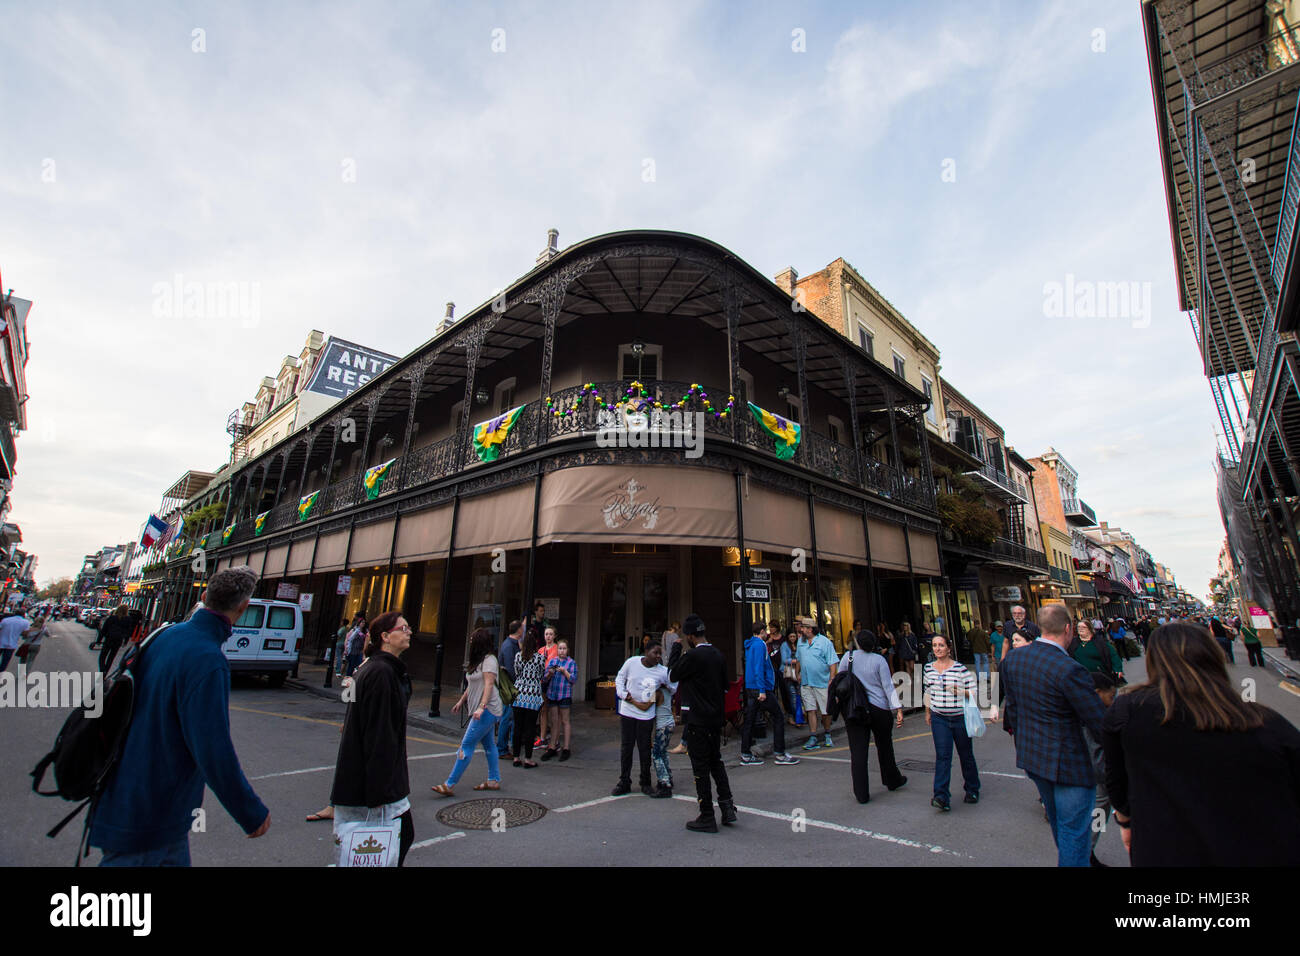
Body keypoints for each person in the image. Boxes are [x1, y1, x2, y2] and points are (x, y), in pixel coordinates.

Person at [90, 566, 271, 866]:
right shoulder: (208, 659)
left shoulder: (163, 635)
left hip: (129, 792)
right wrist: (249, 811)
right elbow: (213, 748)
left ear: (204, 596)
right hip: (152, 809)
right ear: (244, 607)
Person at [1103, 623, 1300, 866]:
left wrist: (1126, 820)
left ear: (1154, 662)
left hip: (1165, 849)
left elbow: (1115, 779)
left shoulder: (1129, 711)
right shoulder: (1263, 721)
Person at [999, 603, 1106, 867]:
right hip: (1069, 764)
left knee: (1063, 825)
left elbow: (1012, 708)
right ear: (1068, 629)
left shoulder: (1012, 660)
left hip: (1033, 757)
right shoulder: (1069, 668)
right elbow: (1099, 722)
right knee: (1074, 831)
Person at [329, 610, 415, 866]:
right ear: (385, 637)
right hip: (375, 789)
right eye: (404, 628)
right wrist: (378, 793)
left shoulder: (379, 669)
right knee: (393, 842)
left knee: (400, 838)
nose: (409, 631)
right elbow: (379, 736)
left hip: (372, 785)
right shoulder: (381, 673)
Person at [669, 613, 735, 833]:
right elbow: (726, 686)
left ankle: (707, 814)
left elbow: (672, 675)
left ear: (690, 636)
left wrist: (676, 651)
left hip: (697, 720)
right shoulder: (718, 654)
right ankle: (727, 807)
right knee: (716, 761)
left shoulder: (693, 657)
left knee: (700, 767)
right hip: (716, 719)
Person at [431, 628, 503, 796]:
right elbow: (472, 685)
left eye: (473, 639)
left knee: (466, 745)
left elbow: (489, 685)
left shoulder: (490, 661)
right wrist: (461, 700)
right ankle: (494, 780)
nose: (470, 641)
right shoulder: (478, 661)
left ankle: (450, 783)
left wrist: (481, 707)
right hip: (480, 709)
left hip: (487, 709)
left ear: (479, 642)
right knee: (490, 745)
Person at [839, 630, 905, 803]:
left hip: (856, 708)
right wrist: (897, 708)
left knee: (858, 752)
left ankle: (861, 793)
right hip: (879, 708)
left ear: (858, 643)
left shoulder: (848, 657)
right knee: (885, 747)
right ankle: (892, 779)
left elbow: (840, 679)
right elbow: (888, 686)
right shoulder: (879, 660)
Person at [922, 634, 979, 811]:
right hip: (939, 717)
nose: (937, 648)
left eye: (941, 645)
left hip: (959, 717)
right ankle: (941, 795)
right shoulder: (928, 669)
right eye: (934, 646)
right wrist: (928, 711)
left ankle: (972, 788)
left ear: (949, 648)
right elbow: (928, 691)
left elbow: (975, 692)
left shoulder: (960, 669)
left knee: (965, 754)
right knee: (943, 756)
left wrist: (960, 691)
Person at [613, 637, 672, 795]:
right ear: (646, 652)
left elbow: (673, 686)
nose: (658, 656)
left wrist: (666, 686)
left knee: (645, 748)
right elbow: (620, 678)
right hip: (627, 710)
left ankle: (645, 781)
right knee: (626, 747)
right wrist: (623, 694)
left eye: (660, 653)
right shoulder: (632, 662)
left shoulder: (662, 671)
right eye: (655, 652)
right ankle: (624, 781)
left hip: (646, 714)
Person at [740, 621, 800, 766]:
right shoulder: (760, 645)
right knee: (778, 716)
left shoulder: (750, 644)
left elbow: (752, 666)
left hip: (751, 686)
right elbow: (759, 667)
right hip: (762, 688)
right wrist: (762, 689)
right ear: (762, 631)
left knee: (750, 720)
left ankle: (746, 754)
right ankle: (780, 753)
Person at [1084, 671, 1117, 867]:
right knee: (1099, 811)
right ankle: (1086, 852)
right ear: (1097, 693)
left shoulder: (1096, 711)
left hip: (1101, 776)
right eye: (1111, 697)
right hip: (1102, 777)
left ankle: (1088, 851)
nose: (1113, 701)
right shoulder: (1093, 717)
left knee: (1099, 812)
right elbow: (1096, 754)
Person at [795, 616, 839, 750]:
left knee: (825, 711)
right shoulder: (800, 642)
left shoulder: (824, 642)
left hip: (822, 682)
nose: (801, 630)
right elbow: (799, 659)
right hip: (806, 682)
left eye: (803, 627)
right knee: (810, 710)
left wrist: (832, 679)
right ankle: (813, 736)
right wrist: (797, 672)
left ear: (810, 629)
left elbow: (832, 662)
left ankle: (827, 734)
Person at [510, 629, 545, 768]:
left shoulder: (518, 656)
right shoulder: (540, 658)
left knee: (517, 727)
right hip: (533, 695)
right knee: (530, 728)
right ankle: (528, 759)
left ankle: (516, 756)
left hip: (519, 694)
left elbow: (516, 672)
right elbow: (541, 674)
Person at [540, 639, 576, 761]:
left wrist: (565, 671)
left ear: (567, 650)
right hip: (553, 693)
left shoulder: (571, 663)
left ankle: (566, 747)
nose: (562, 651)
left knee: (565, 720)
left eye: (564, 648)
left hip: (564, 694)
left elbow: (573, 679)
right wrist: (550, 673)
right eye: (560, 648)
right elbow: (545, 678)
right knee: (555, 720)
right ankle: (552, 746)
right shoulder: (553, 661)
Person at [649, 664, 679, 798]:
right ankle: (669, 777)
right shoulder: (668, 690)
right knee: (663, 752)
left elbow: (647, 706)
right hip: (670, 724)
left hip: (662, 725)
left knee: (656, 754)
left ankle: (664, 782)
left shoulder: (657, 692)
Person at [496, 618, 523, 758]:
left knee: (510, 717)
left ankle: (511, 744)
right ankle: (502, 748)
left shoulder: (511, 644)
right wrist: (519, 682)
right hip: (509, 687)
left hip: (511, 686)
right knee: (507, 717)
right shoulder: (509, 646)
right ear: (519, 630)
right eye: (522, 628)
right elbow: (511, 669)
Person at [536, 625, 560, 749]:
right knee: (543, 710)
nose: (548, 636)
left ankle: (555, 738)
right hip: (543, 681)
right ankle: (542, 737)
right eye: (546, 634)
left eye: (551, 634)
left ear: (554, 636)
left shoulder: (557, 648)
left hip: (554, 681)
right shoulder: (541, 650)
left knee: (554, 711)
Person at [97, 605, 135, 673]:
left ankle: (102, 669)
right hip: (118, 640)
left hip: (109, 638)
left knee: (102, 656)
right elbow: (128, 631)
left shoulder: (111, 618)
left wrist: (99, 640)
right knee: (111, 658)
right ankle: (105, 673)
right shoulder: (128, 620)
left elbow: (104, 630)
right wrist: (125, 641)